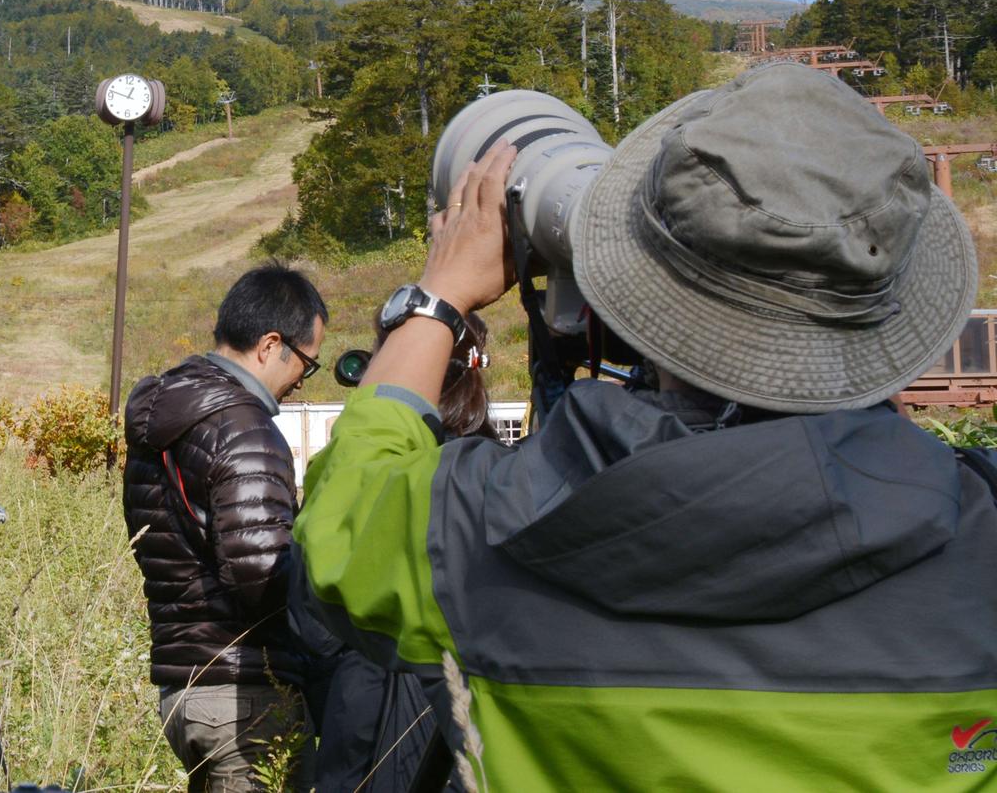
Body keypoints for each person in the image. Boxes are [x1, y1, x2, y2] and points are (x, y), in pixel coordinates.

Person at [295, 63, 997, 789]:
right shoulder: (981, 531)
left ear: (645, 293)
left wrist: (438, 295)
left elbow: (343, 513)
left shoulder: (489, 528)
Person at [123, 263, 327, 793]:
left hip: (183, 688)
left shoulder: (166, 416)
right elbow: (260, 574)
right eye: (306, 363)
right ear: (270, 345)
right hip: (245, 694)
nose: (302, 379)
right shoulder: (244, 427)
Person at [293, 312, 493, 793]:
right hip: (468, 735)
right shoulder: (500, 476)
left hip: (359, 727)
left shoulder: (353, 477)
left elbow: (309, 618)